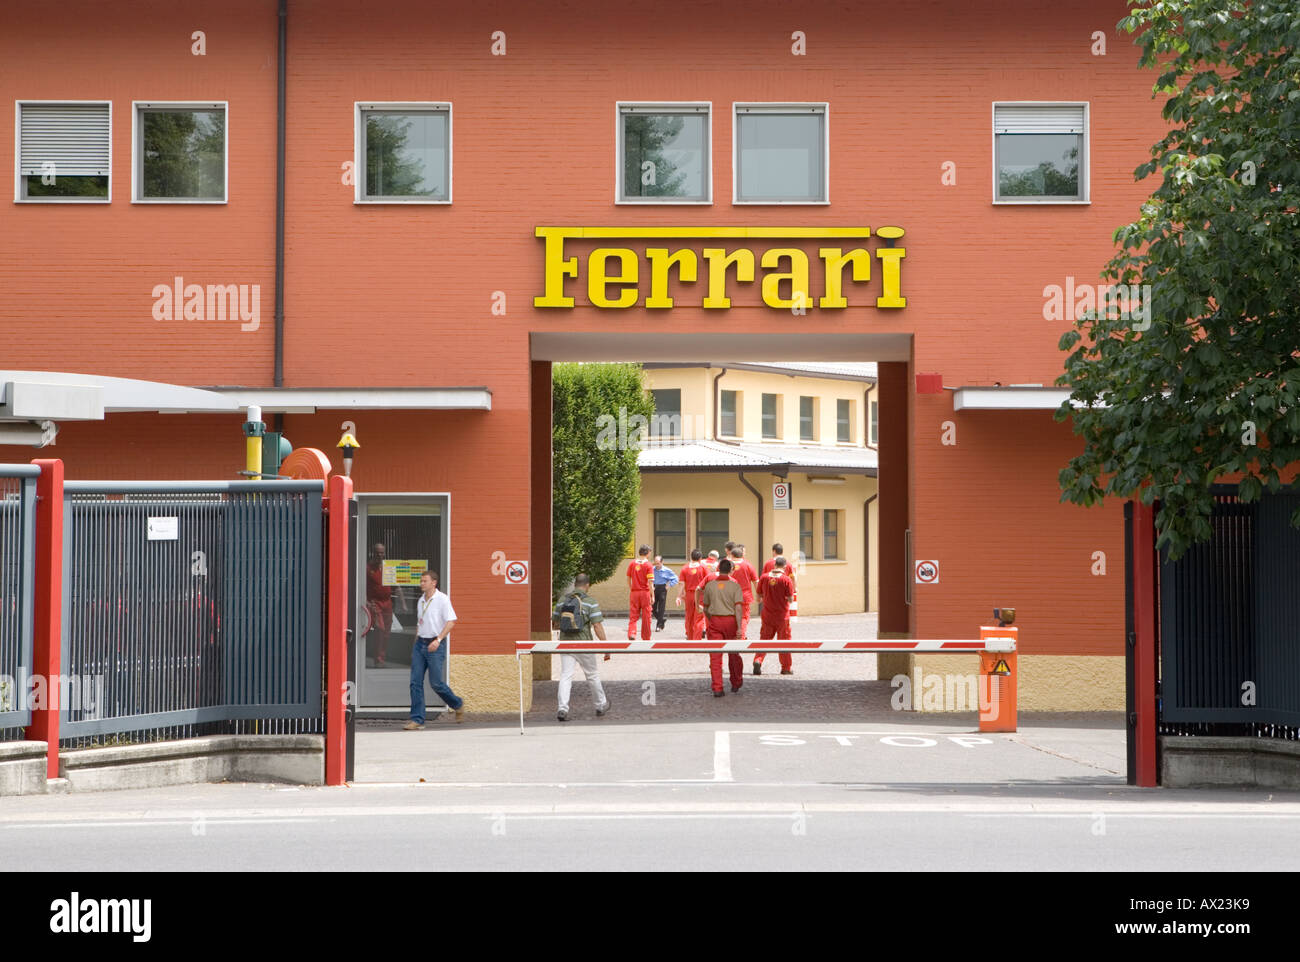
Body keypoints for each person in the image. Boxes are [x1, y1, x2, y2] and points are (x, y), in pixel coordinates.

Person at [403, 570, 465, 730]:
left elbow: (451, 622)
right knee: (415, 682)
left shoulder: (442, 600)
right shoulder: (420, 601)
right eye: (421, 581)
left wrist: (438, 640)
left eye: (425, 581)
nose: (421, 584)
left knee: (436, 683)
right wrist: (414, 645)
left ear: (433, 582)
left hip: (435, 644)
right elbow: (420, 623)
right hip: (420, 644)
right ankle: (417, 719)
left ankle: (457, 703)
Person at [551, 573, 610, 722]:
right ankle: (600, 705)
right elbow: (597, 625)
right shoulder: (590, 602)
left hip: (565, 644)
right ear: (587, 585)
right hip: (584, 644)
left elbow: (555, 623)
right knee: (592, 675)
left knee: (565, 675)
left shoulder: (563, 600)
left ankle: (562, 708)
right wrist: (606, 646)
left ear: (575, 584)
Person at [699, 558, 744, 696]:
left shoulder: (710, 585)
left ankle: (717, 687)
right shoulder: (735, 585)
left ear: (718, 569)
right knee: (734, 654)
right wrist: (739, 627)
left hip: (715, 622)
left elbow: (705, 607)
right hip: (731, 621)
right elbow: (738, 609)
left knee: (715, 656)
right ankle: (736, 683)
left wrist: (711, 618)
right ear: (731, 570)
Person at [753, 556, 796, 675]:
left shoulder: (764, 577)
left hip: (767, 614)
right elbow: (791, 599)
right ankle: (786, 667)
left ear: (774, 565)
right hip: (782, 616)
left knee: (764, 639)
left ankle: (758, 660)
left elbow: (758, 597)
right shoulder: (786, 580)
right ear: (785, 567)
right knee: (784, 642)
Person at [366, 543, 394, 667]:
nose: (379, 555)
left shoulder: (388, 567)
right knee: (380, 629)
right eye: (377, 552)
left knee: (387, 631)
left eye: (382, 552)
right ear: (373, 552)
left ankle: (382, 656)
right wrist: (367, 602)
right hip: (375, 602)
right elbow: (363, 586)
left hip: (388, 602)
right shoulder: (368, 568)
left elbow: (396, 585)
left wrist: (403, 602)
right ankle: (378, 660)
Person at [677, 549, 711, 641]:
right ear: (700, 558)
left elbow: (681, 583)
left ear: (691, 557)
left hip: (689, 595)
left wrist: (679, 596)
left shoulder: (685, 568)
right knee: (699, 618)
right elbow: (709, 581)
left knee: (689, 617)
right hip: (700, 595)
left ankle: (690, 637)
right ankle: (697, 639)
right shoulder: (703, 567)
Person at [729, 545, 759, 639]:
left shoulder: (725, 564)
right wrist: (759, 594)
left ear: (731, 555)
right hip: (744, 596)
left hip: (728, 596)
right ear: (742, 555)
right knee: (743, 617)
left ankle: (732, 636)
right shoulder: (748, 565)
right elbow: (756, 581)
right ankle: (741, 637)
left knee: (730, 617)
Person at [626, 544, 654, 641]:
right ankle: (646, 637)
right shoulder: (648, 565)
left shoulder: (632, 563)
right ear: (647, 553)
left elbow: (628, 578)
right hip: (645, 593)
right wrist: (652, 595)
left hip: (634, 592)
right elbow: (650, 583)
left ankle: (632, 633)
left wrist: (632, 588)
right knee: (646, 615)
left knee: (633, 614)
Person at [652, 556, 678, 631]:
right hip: (654, 588)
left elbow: (676, 578)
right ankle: (662, 620)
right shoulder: (652, 569)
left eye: (658, 563)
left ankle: (658, 625)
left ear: (662, 562)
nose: (657, 565)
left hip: (662, 589)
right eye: (655, 563)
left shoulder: (666, 570)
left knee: (661, 608)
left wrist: (669, 585)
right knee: (652, 608)